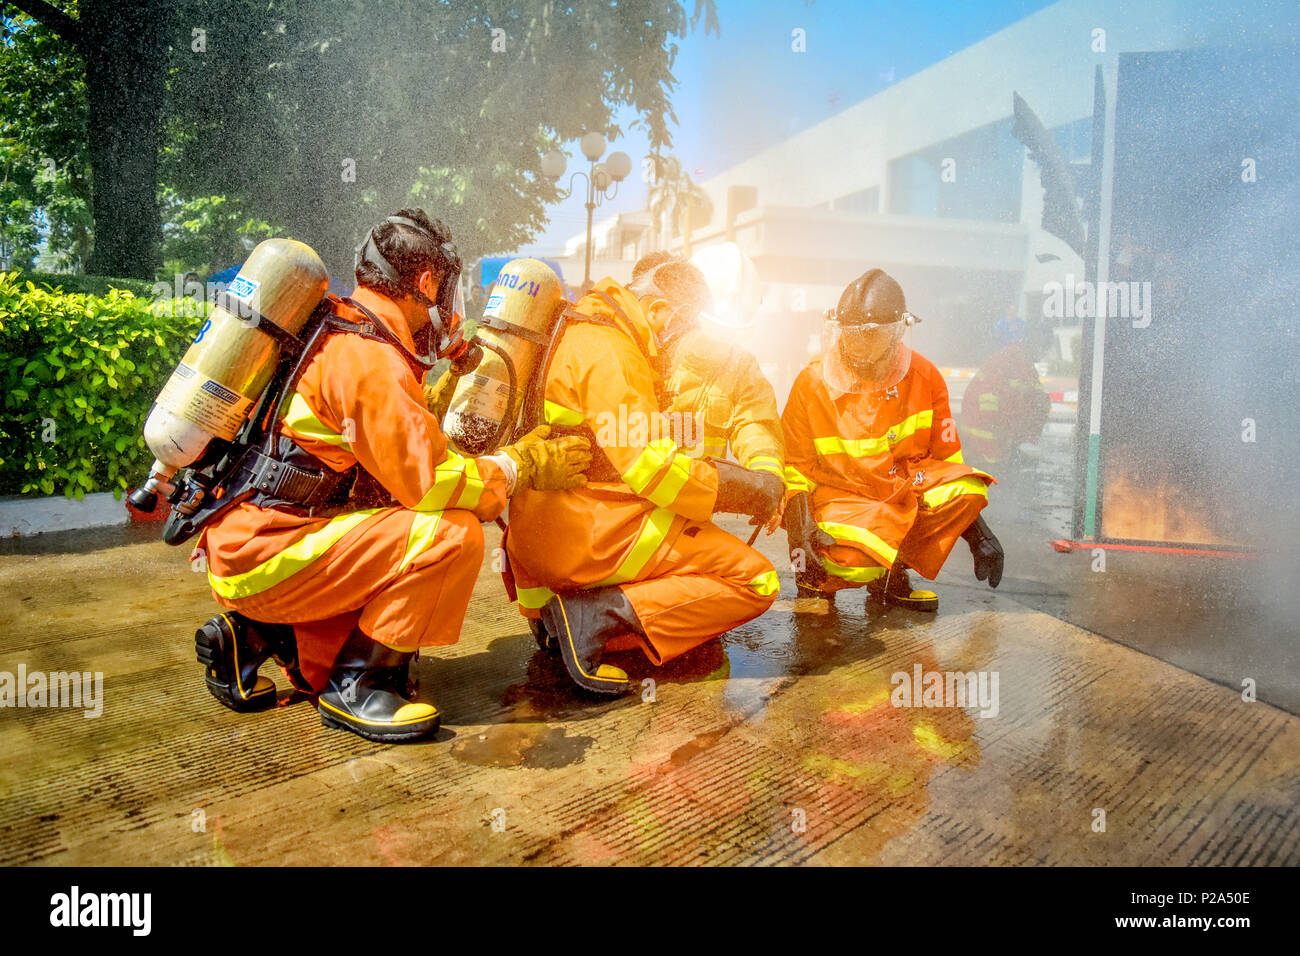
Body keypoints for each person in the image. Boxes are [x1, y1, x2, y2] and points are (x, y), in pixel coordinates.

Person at [194, 209, 591, 742]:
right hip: (269, 551)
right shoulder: (369, 359)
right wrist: (523, 467)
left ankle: (254, 636)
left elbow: (381, 447)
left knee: (372, 581)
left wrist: (432, 401)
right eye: (443, 287)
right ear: (427, 282)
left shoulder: (344, 324)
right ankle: (358, 685)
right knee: (447, 534)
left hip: (254, 538)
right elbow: (432, 486)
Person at [504, 258, 783, 694]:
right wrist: (742, 491)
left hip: (544, 533)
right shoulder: (615, 350)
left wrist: (767, 479)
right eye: (680, 324)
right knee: (757, 579)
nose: (670, 341)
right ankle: (590, 618)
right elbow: (655, 468)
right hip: (590, 532)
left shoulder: (580, 327)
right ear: (660, 312)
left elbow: (755, 426)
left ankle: (564, 623)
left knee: (687, 570)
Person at [780, 269, 1004, 612]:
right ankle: (817, 580)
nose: (860, 344)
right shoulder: (811, 382)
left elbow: (946, 463)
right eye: (852, 333)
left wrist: (979, 535)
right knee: (850, 559)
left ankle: (893, 576)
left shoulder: (925, 376)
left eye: (874, 334)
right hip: (840, 496)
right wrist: (799, 533)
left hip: (900, 492)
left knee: (967, 489)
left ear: (899, 330)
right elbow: (792, 467)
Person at [960, 317, 1052, 472]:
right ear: (1033, 343)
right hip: (986, 446)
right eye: (1044, 348)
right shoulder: (1012, 361)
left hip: (994, 443)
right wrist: (998, 448)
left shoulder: (1023, 365)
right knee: (996, 487)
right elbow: (987, 406)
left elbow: (1034, 403)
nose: (1044, 354)